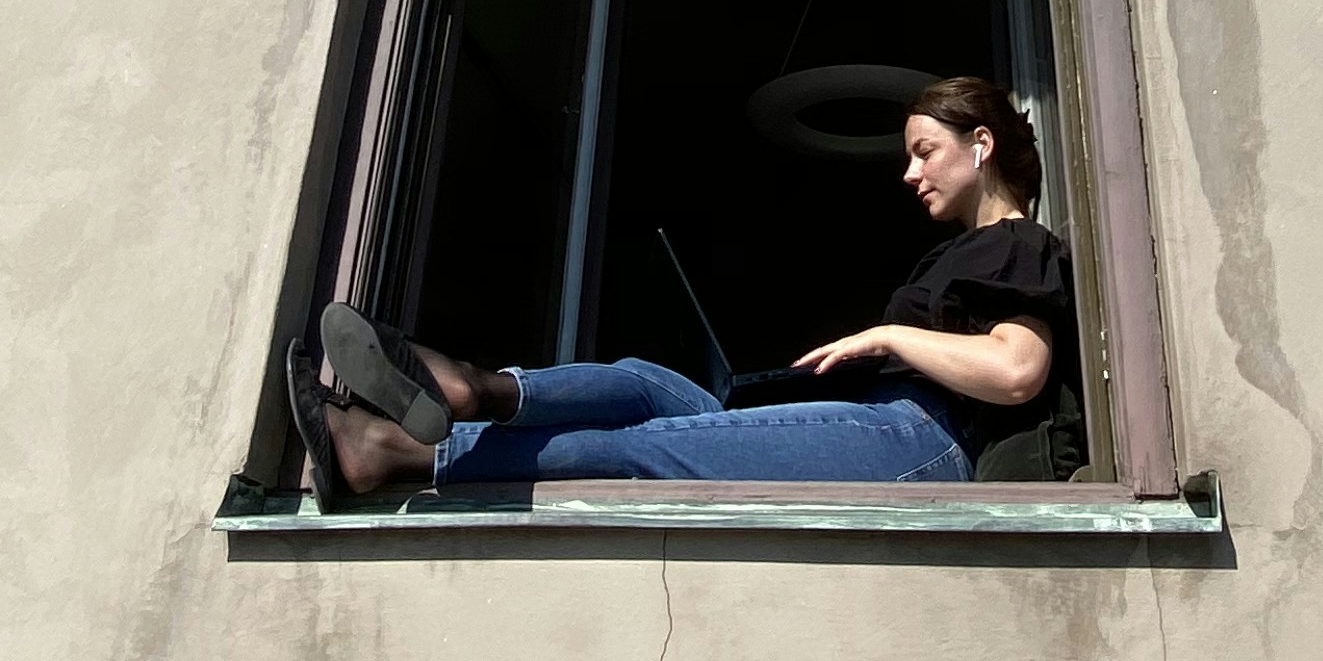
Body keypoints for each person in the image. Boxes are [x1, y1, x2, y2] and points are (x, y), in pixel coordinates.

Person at [293, 74, 1076, 499]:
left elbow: (1016, 372)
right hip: (883, 421)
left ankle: (396, 452)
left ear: (982, 144)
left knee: (646, 447)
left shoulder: (1017, 246)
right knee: (643, 384)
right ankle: (479, 388)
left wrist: (887, 336)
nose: (909, 173)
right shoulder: (965, 254)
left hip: (922, 440)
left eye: (923, 151)